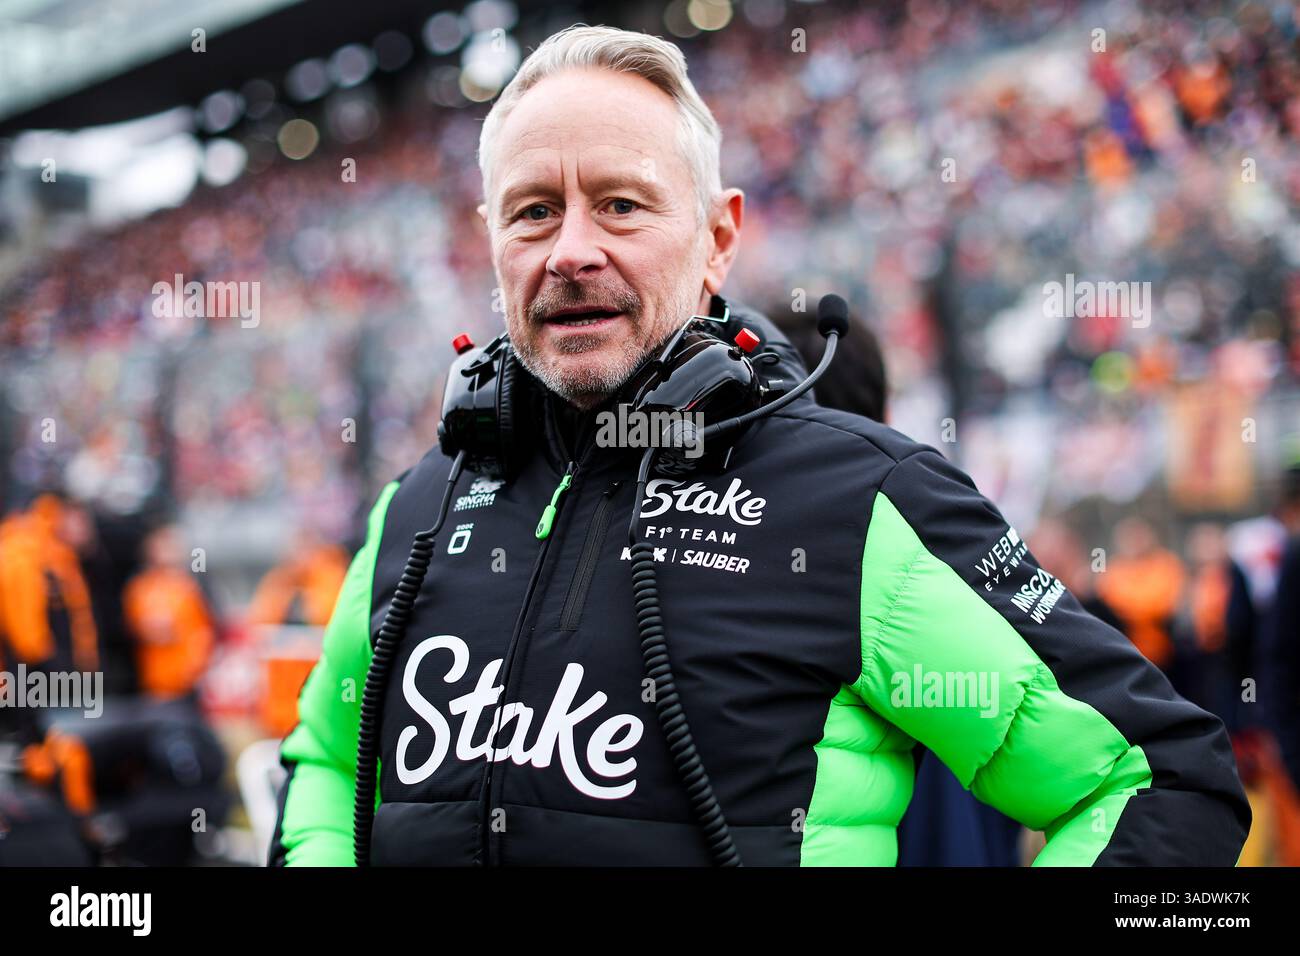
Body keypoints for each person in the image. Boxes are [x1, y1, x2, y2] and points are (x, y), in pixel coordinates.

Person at [271, 25, 1249, 866]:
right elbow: (321, 763)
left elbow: (1153, 779)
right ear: (490, 239)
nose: (570, 249)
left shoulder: (860, 498)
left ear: (717, 238)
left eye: (620, 204)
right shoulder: (419, 502)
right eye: (534, 210)